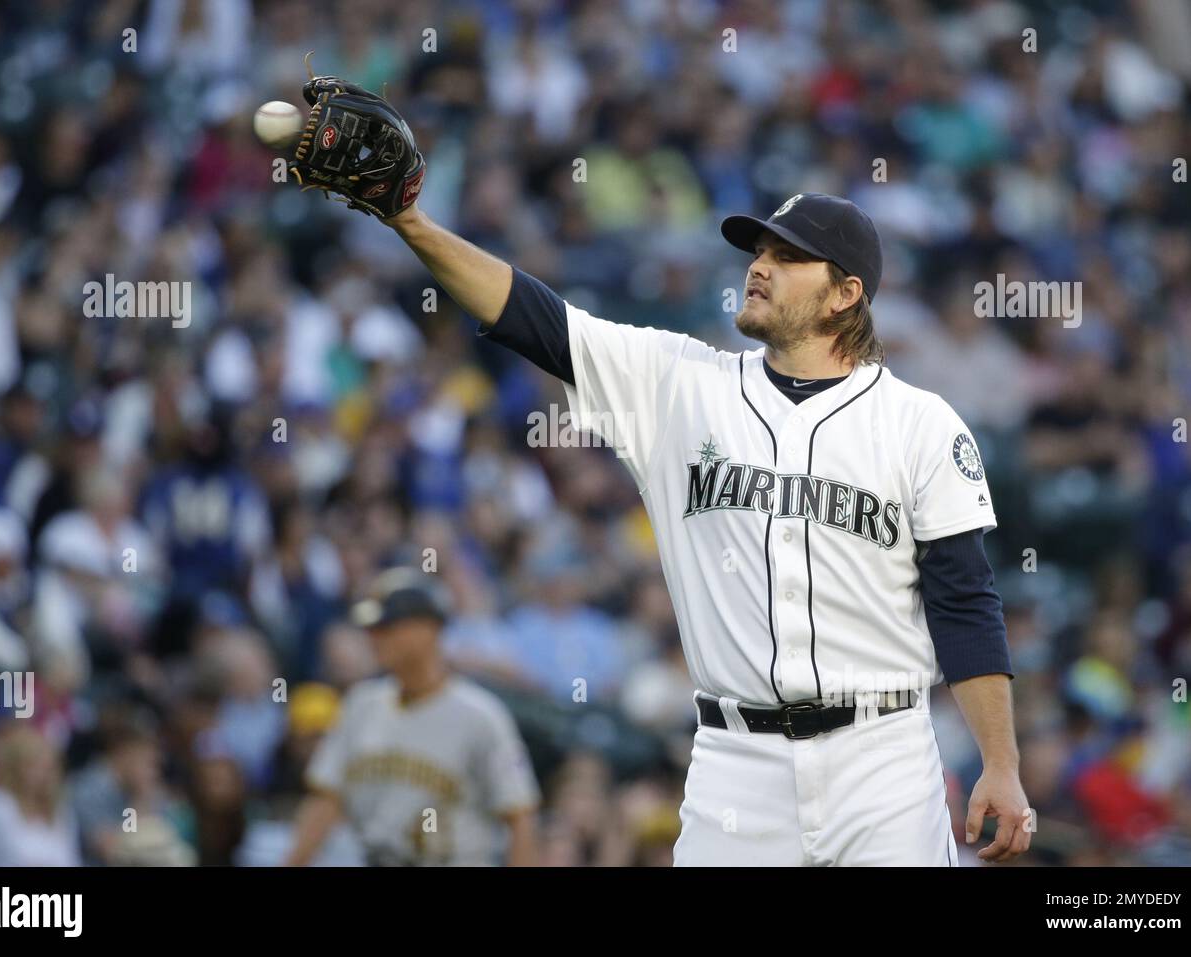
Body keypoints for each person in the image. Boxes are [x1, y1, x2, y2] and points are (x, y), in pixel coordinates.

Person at [283, 80, 1029, 866]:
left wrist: (1002, 765)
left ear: (847, 294)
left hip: (882, 758)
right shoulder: (682, 383)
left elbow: (964, 600)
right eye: (760, 250)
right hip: (738, 764)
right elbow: (530, 315)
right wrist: (410, 222)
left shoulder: (920, 422)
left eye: (788, 255)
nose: (761, 266)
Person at [286, 568, 540, 866]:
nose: (374, 637)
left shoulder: (481, 715)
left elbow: (520, 818)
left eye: (387, 627)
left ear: (429, 628)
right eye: (371, 629)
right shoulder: (360, 704)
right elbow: (324, 801)